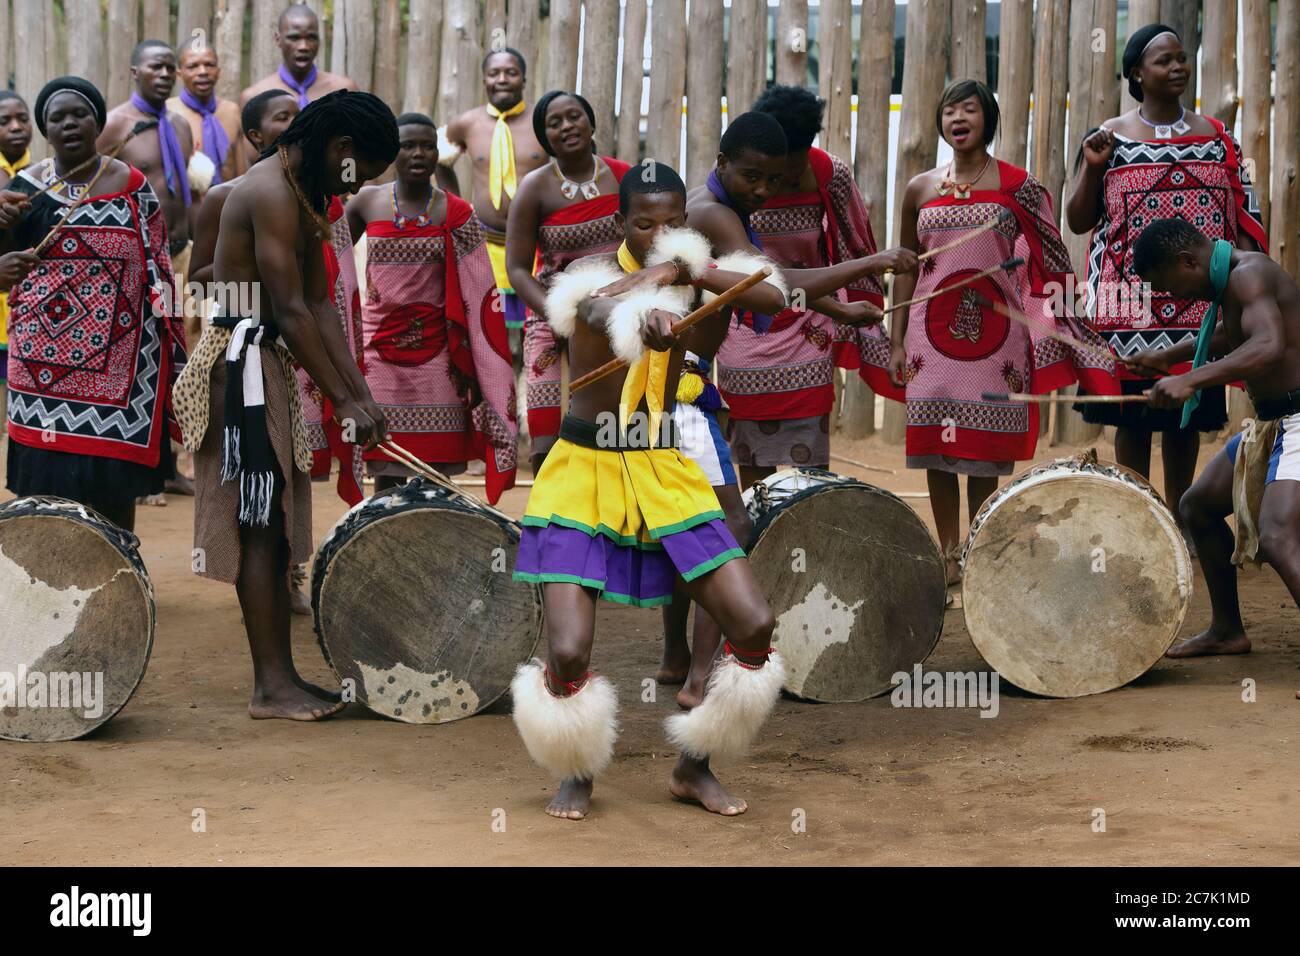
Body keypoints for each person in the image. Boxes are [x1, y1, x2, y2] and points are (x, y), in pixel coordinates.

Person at [511, 162, 789, 820]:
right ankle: (574, 769)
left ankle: (695, 766)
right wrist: (647, 314)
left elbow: (771, 296)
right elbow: (606, 311)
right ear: (619, 222)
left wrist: (678, 273)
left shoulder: (690, 277)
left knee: (754, 626)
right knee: (571, 648)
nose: (658, 232)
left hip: (662, 468)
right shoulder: (584, 282)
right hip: (584, 470)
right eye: (643, 222)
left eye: (671, 223)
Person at [172, 91, 397, 721]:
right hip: (240, 366)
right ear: (341, 149)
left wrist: (360, 395)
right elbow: (291, 308)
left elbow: (322, 306)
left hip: (265, 362)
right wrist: (343, 400)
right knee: (259, 528)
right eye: (362, 171)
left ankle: (281, 678)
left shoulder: (307, 194)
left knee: (269, 527)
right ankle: (270, 686)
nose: (358, 186)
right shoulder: (269, 192)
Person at [892, 79, 1118, 588]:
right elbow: (906, 267)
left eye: (968, 110)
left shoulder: (1019, 185)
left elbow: (1053, 253)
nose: (957, 119)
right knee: (939, 447)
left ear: (986, 119)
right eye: (949, 110)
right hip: (929, 340)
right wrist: (895, 338)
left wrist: (1060, 318)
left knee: (984, 450)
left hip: (997, 339)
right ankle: (949, 553)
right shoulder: (919, 188)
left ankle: (981, 548)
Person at [1065, 24, 1267, 552]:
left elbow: (1245, 211)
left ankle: (1181, 520)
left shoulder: (1217, 136)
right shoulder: (1110, 136)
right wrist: (1091, 167)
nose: (1178, 68)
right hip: (1128, 305)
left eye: (1182, 59)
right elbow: (1080, 218)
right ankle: (1139, 518)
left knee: (1184, 418)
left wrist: (1247, 282)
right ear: (1136, 73)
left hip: (1197, 305)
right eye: (1164, 61)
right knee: (1133, 417)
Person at [0, 77, 185, 533]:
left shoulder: (133, 187)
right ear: (45, 129)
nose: (68, 124)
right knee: (45, 494)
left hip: (124, 371)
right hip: (41, 366)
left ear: (98, 122)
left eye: (78, 114)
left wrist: (172, 350)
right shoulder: (22, 191)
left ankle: (120, 582)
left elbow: (160, 268)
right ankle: (46, 585)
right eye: (56, 117)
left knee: (113, 488)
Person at [1127, 218, 1300, 679]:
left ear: (1188, 261)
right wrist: (1172, 355)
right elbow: (1237, 333)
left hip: (1298, 417)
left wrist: (1191, 378)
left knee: (1279, 535)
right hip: (1272, 421)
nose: (1176, 297)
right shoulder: (1231, 282)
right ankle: (1227, 629)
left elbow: (1267, 344)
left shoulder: (1248, 273)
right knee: (1198, 506)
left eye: (1174, 286)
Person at [700, 112, 903, 489]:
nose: (764, 191)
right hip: (704, 361)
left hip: (798, 329)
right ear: (724, 162)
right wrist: (872, 263)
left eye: (773, 180)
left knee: (800, 482)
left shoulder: (737, 200)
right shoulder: (714, 212)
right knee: (740, 498)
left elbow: (772, 288)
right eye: (754, 178)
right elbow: (771, 282)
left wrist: (839, 309)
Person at [346, 112, 518, 499]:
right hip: (379, 356)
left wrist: (479, 359)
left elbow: (480, 290)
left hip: (439, 358)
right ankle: (382, 542)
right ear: (393, 152)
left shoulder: (455, 211)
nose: (418, 153)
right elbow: (332, 261)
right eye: (408, 145)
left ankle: (438, 545)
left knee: (437, 476)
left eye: (427, 145)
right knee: (386, 468)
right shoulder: (366, 203)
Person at [504, 90, 630, 474]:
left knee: (620, 430)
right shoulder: (534, 188)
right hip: (553, 313)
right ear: (545, 138)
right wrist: (556, 314)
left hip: (619, 311)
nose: (566, 127)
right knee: (548, 436)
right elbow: (518, 270)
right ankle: (550, 517)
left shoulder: (625, 177)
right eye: (553, 123)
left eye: (574, 116)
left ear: (591, 122)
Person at [749, 84, 894, 393]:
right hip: (748, 320)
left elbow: (855, 246)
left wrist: (859, 314)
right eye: (778, 171)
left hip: (811, 322)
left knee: (809, 428)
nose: (788, 178)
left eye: (796, 166)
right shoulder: (737, 180)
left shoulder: (829, 173)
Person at [437, 48, 546, 335]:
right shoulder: (466, 123)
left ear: (523, 79)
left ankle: (531, 376)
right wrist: (457, 205)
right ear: (484, 80)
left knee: (535, 325)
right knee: (486, 324)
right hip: (485, 242)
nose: (502, 79)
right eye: (493, 73)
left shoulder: (544, 120)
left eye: (511, 73)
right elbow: (440, 158)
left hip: (536, 246)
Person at [0, 90, 32, 441]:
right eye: (4, 121)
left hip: (24, 310)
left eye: (22, 119)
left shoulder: (42, 172)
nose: (15, 127)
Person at [168, 40, 243, 186]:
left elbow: (242, 173)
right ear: (179, 74)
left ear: (218, 71)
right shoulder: (168, 112)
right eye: (192, 66)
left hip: (228, 205)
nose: (203, 72)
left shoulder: (232, 111)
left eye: (209, 65)